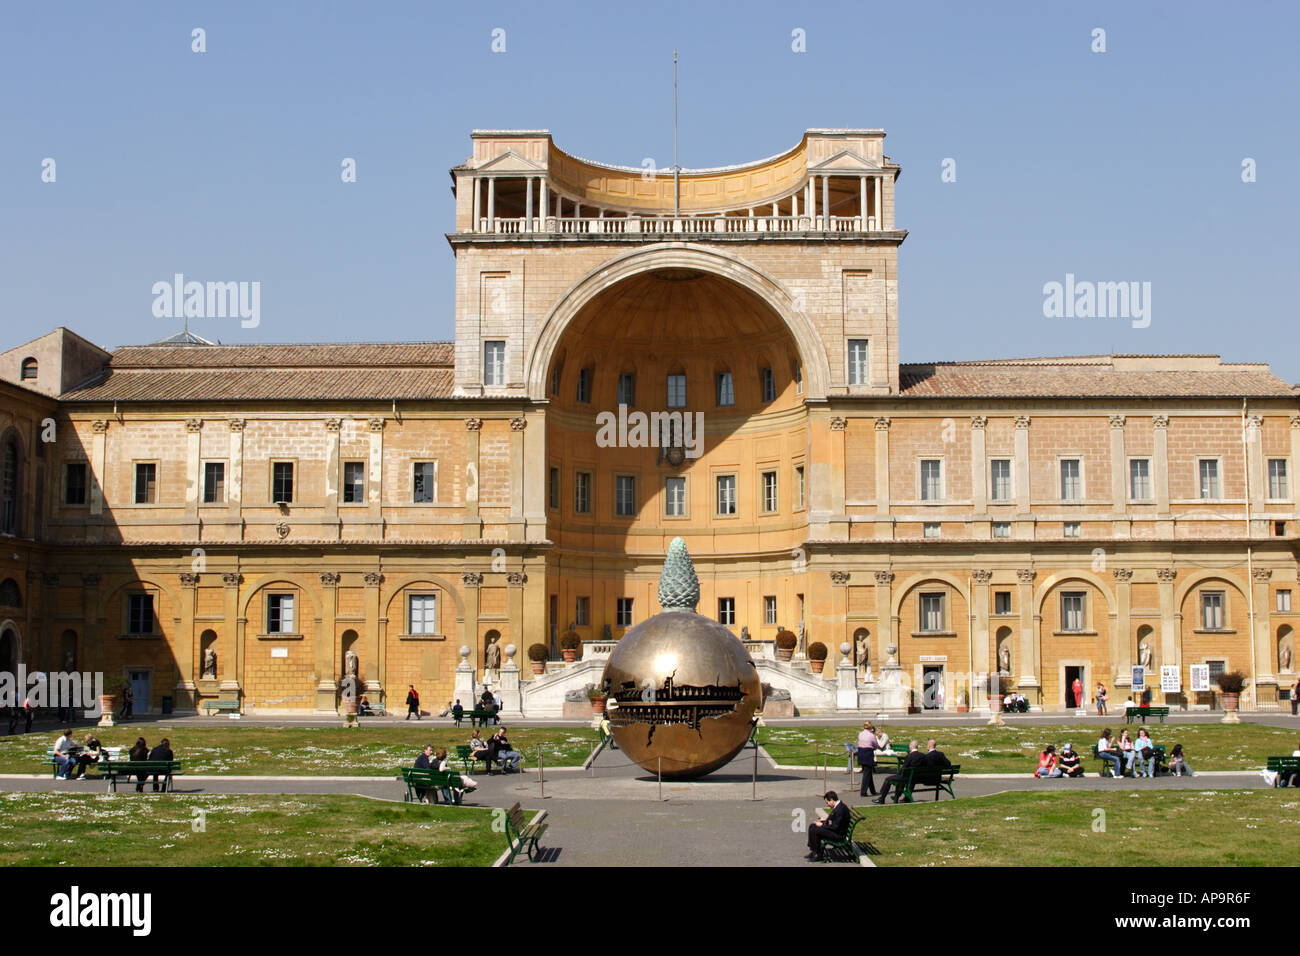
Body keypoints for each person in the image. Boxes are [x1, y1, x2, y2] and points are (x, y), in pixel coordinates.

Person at [805, 791, 850, 862]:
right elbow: (834, 818)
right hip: (836, 831)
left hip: (838, 835)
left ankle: (818, 854)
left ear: (832, 800)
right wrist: (826, 820)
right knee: (812, 826)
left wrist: (822, 825)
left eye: (827, 802)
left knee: (815, 830)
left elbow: (835, 827)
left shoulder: (840, 809)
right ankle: (814, 850)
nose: (827, 804)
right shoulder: (839, 806)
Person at [856, 722, 881, 797]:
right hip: (868, 754)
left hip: (861, 753)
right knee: (867, 774)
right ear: (870, 728)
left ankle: (873, 791)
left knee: (868, 773)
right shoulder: (871, 736)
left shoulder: (860, 734)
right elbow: (876, 745)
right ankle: (863, 792)